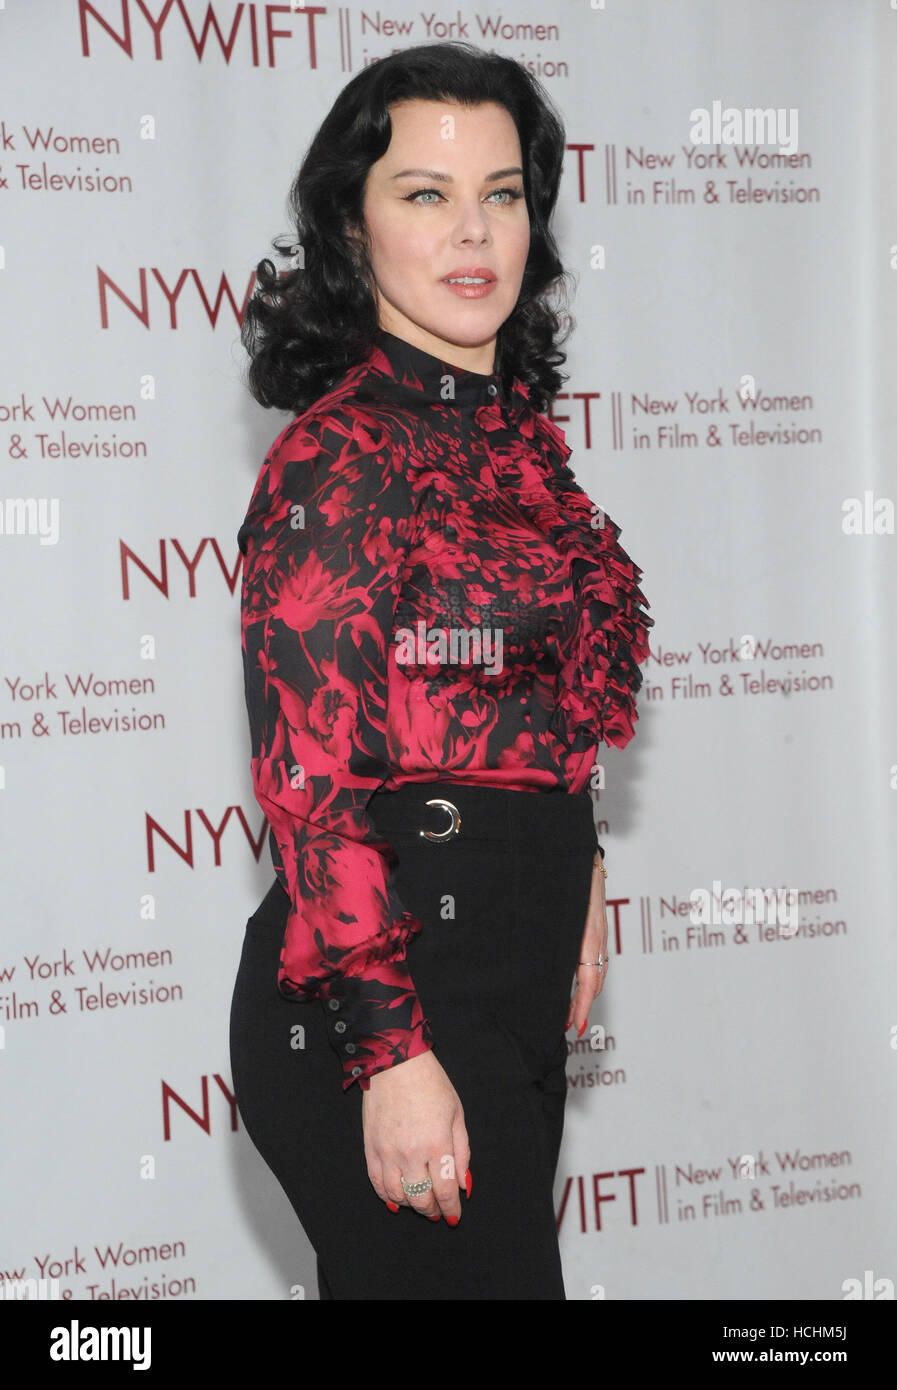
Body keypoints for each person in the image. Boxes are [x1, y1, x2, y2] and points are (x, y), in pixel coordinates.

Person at [229, 40, 652, 1301]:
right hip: (389, 998)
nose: (474, 231)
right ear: (352, 233)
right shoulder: (340, 457)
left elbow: (535, 701)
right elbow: (311, 777)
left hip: (509, 975)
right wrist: (391, 1054)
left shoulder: (512, 443)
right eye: (424, 193)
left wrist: (581, 864)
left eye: (503, 192)